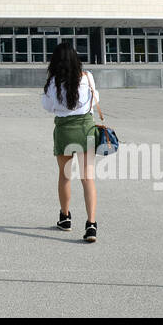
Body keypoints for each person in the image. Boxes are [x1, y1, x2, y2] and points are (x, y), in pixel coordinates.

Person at [41, 42, 100, 242]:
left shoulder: (53, 82)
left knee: (65, 176)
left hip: (64, 130)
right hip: (86, 129)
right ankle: (91, 225)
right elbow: (96, 99)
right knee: (87, 178)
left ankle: (65, 218)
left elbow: (47, 106)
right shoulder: (87, 77)